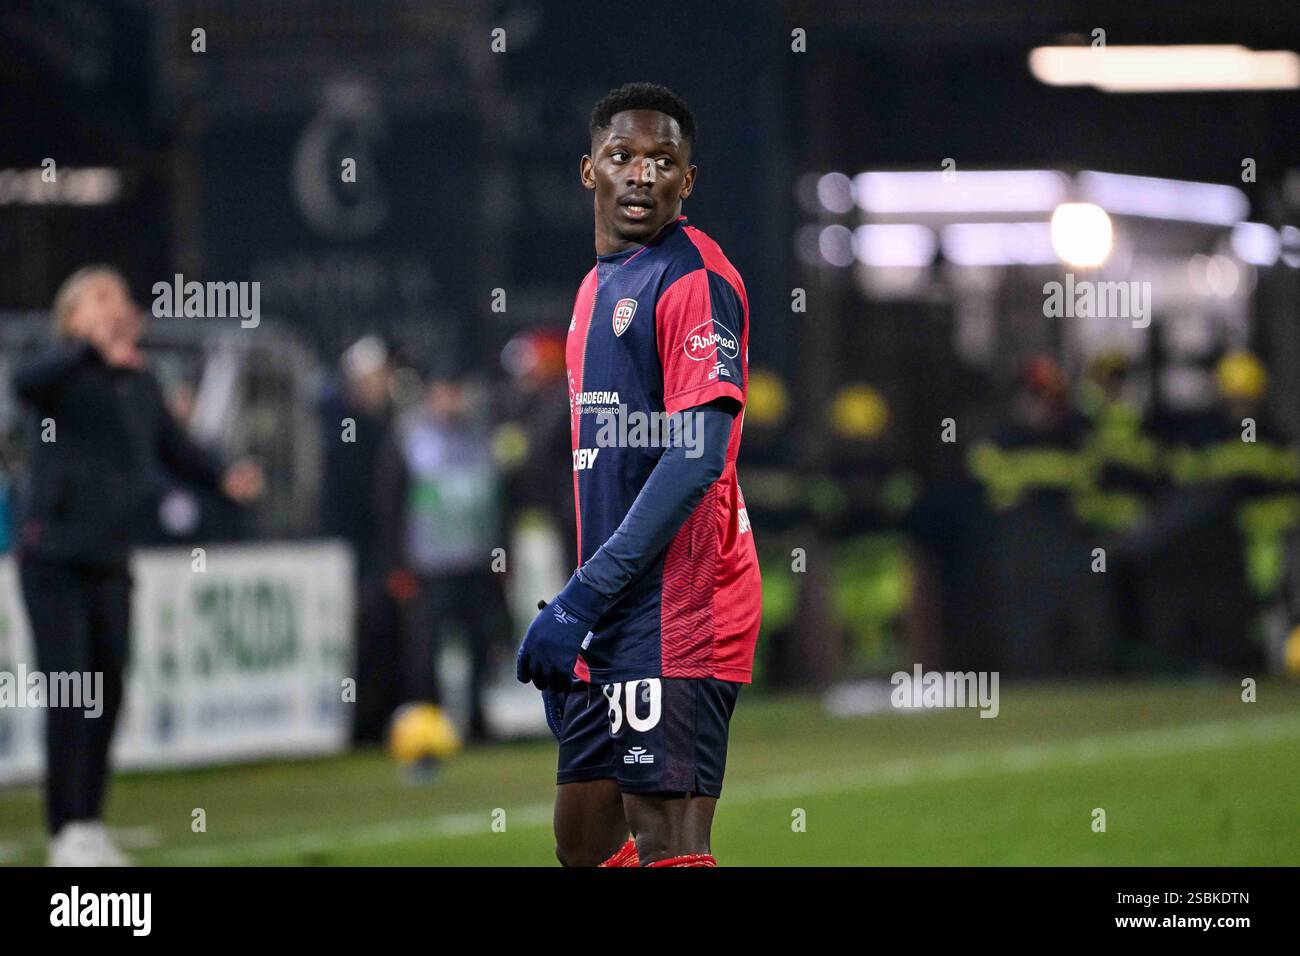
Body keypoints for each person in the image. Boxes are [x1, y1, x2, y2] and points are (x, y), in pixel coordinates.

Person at [514, 83, 762, 867]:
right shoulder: (596, 288)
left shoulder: (693, 278)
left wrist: (584, 597)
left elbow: (696, 455)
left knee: (668, 838)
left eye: (663, 160)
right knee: (584, 843)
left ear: (688, 180)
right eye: (623, 156)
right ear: (590, 169)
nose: (642, 175)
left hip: (684, 596)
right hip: (616, 601)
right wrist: (589, 608)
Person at [12, 266, 264, 866]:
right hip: (54, 560)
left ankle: (89, 821)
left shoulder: (139, 383)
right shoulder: (59, 376)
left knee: (107, 693)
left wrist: (224, 479)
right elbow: (25, 383)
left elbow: (176, 451)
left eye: (117, 297)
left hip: (112, 558)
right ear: (72, 317)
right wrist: (91, 348)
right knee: (70, 691)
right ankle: (64, 830)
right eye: (98, 298)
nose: (113, 306)